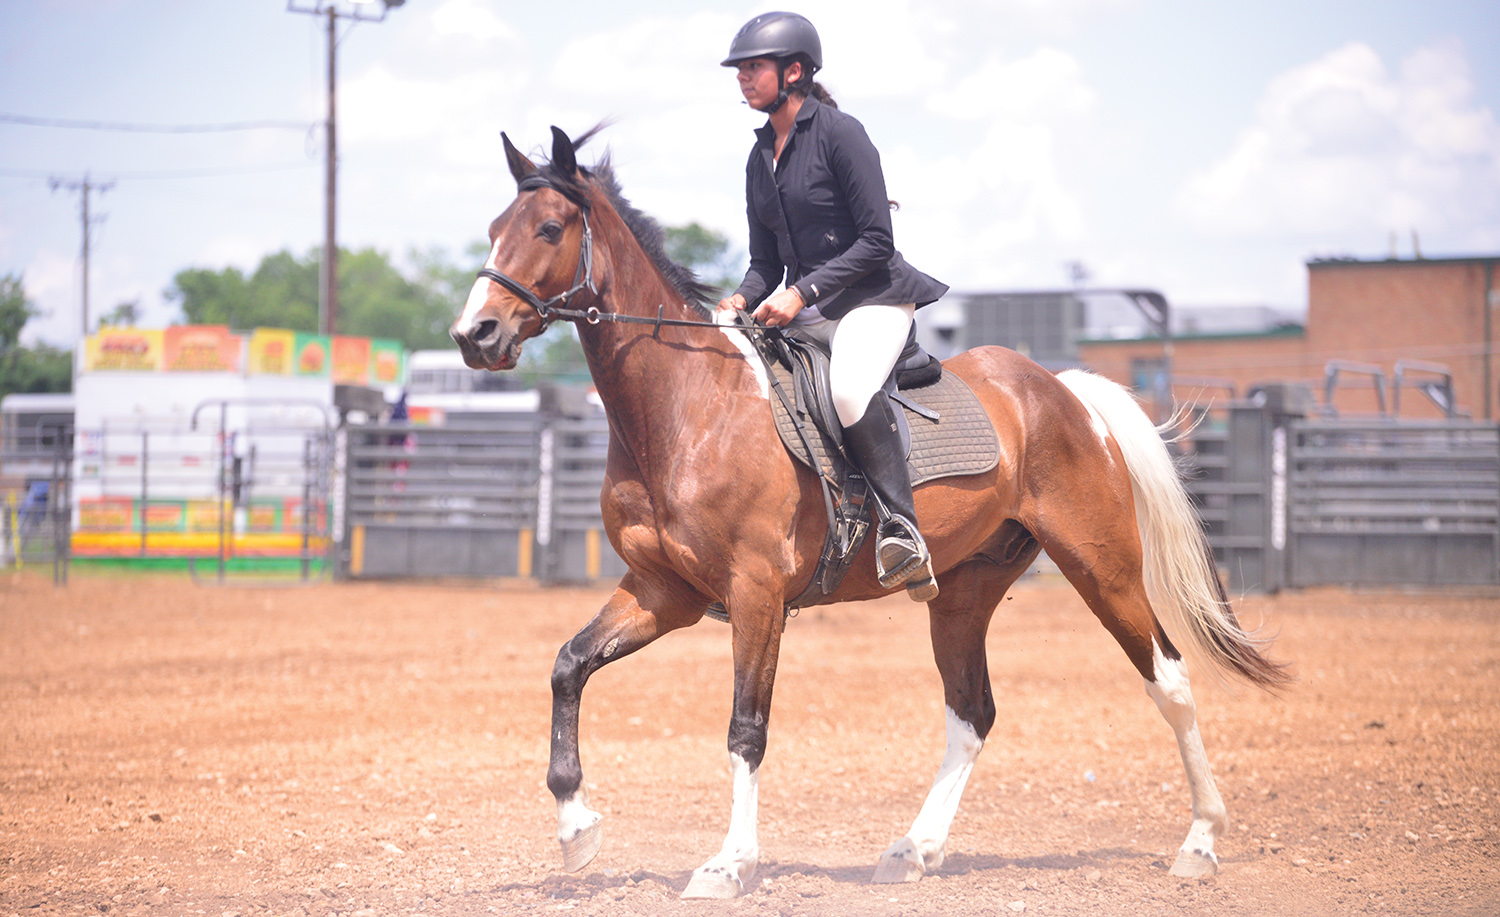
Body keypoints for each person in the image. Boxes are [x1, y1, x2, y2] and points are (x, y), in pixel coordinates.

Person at [716, 11, 949, 602]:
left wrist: (800, 294)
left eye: (754, 67)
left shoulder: (840, 134)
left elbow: (877, 241)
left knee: (848, 389)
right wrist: (742, 297)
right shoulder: (758, 157)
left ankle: (902, 528)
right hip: (810, 305)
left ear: (793, 71)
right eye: (740, 69)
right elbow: (766, 263)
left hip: (875, 298)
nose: (743, 78)